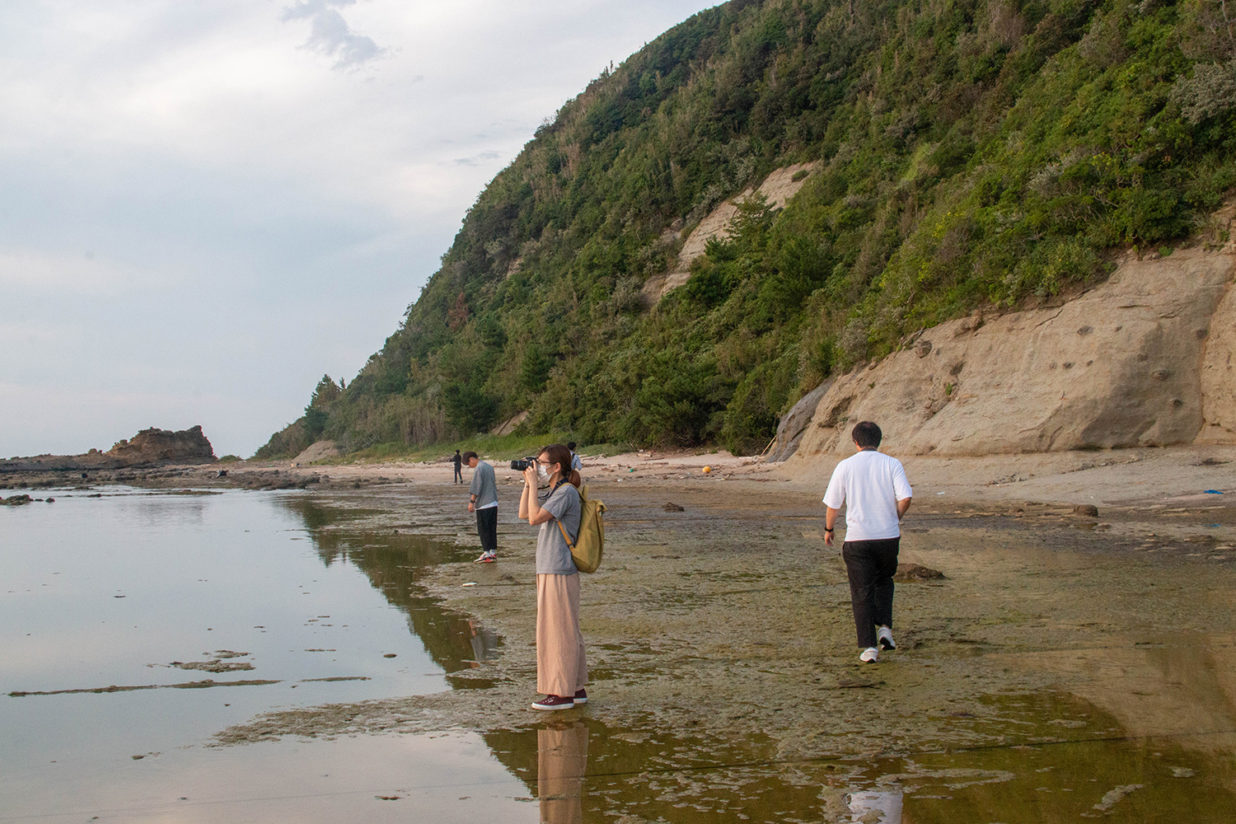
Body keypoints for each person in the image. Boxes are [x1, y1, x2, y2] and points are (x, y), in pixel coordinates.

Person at [823, 421, 913, 664]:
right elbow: (905, 497)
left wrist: (829, 529)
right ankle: (885, 628)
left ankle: (868, 648)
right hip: (888, 537)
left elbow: (834, 505)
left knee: (861, 592)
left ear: (855, 442)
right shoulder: (892, 463)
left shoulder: (845, 466)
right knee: (884, 581)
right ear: (879, 440)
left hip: (858, 539)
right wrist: (894, 517)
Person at [519, 443, 587, 710]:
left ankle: (561, 694)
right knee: (566, 629)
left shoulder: (566, 492)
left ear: (557, 467)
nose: (539, 467)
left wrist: (535, 483)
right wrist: (529, 484)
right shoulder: (557, 491)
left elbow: (535, 518)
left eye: (542, 463)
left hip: (558, 569)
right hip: (551, 568)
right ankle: (576, 687)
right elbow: (525, 513)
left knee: (557, 632)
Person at [464, 451, 498, 563]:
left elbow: (476, 487)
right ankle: (492, 552)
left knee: (483, 530)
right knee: (492, 529)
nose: (469, 466)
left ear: (472, 459)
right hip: (493, 502)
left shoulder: (479, 468)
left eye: (468, 463)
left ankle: (487, 553)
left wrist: (471, 502)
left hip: (484, 504)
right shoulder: (489, 467)